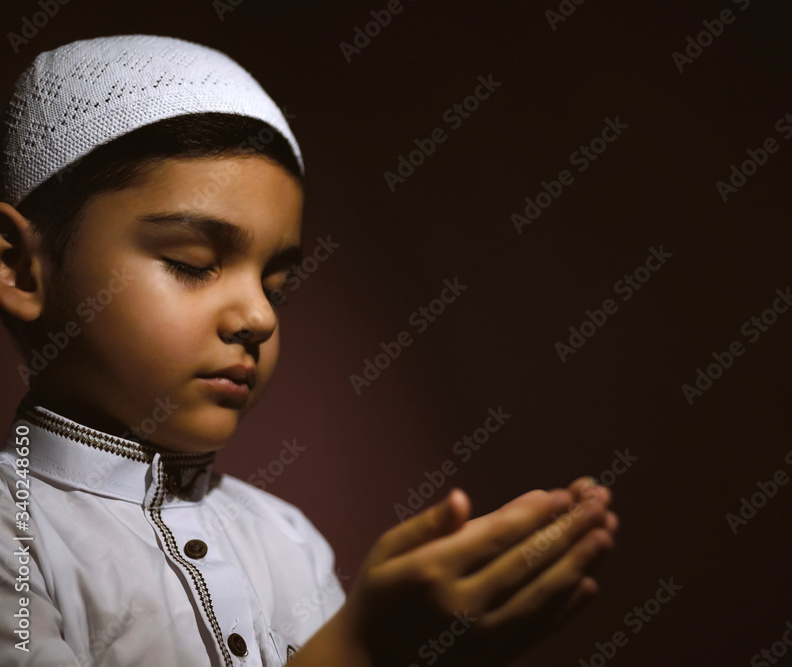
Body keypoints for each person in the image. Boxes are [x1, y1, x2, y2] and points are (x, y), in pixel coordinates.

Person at [0, 34, 618, 666]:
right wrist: (361, 650)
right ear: (20, 267)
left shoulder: (289, 540)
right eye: (193, 264)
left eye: (277, 286)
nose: (259, 316)